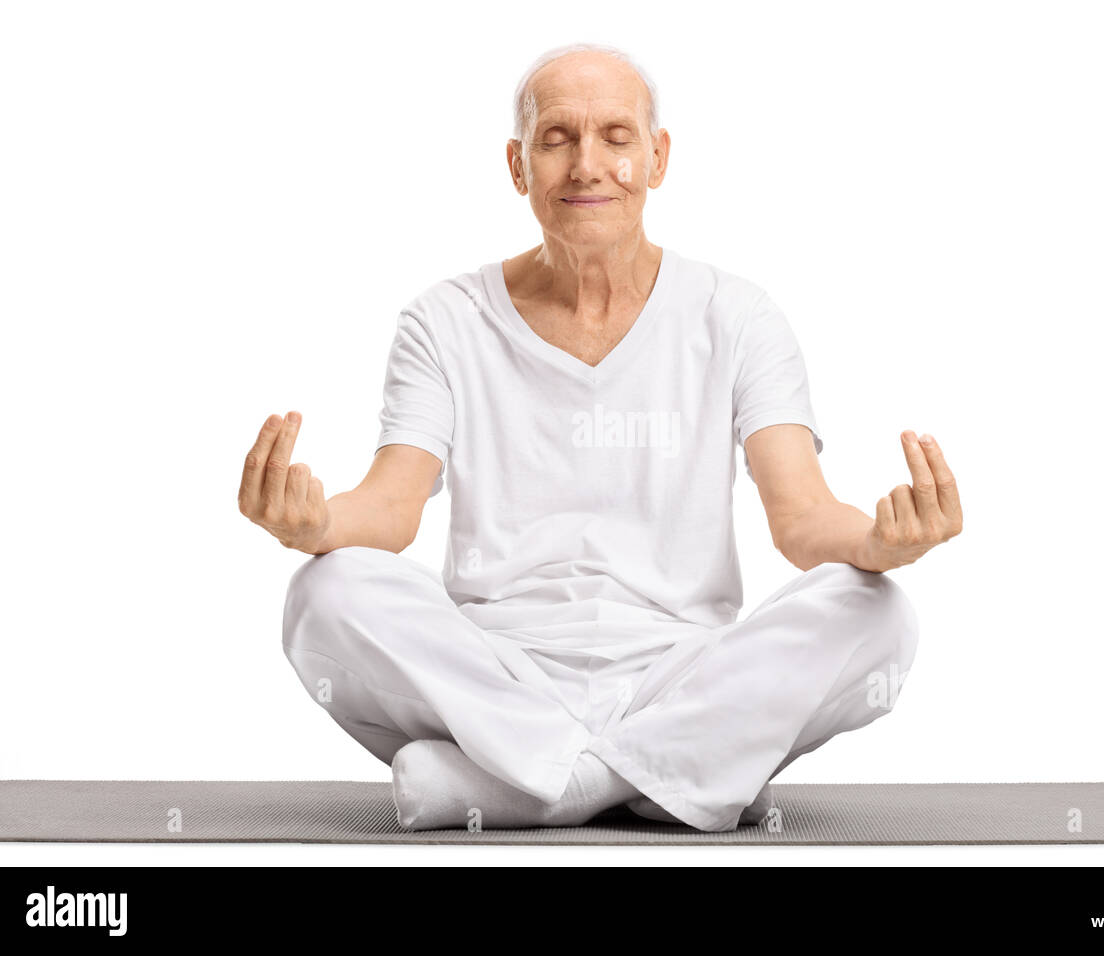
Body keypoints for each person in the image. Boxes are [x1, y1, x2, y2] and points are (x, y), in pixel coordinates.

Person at [238, 43, 963, 833]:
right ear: (517, 166)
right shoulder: (444, 320)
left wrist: (882, 541)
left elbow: (802, 518)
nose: (588, 164)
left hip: (683, 675)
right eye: (556, 139)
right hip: (497, 679)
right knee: (324, 593)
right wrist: (316, 527)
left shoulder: (739, 316)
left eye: (617, 137)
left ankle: (534, 787)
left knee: (877, 613)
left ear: (658, 158)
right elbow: (389, 507)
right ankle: (680, 776)